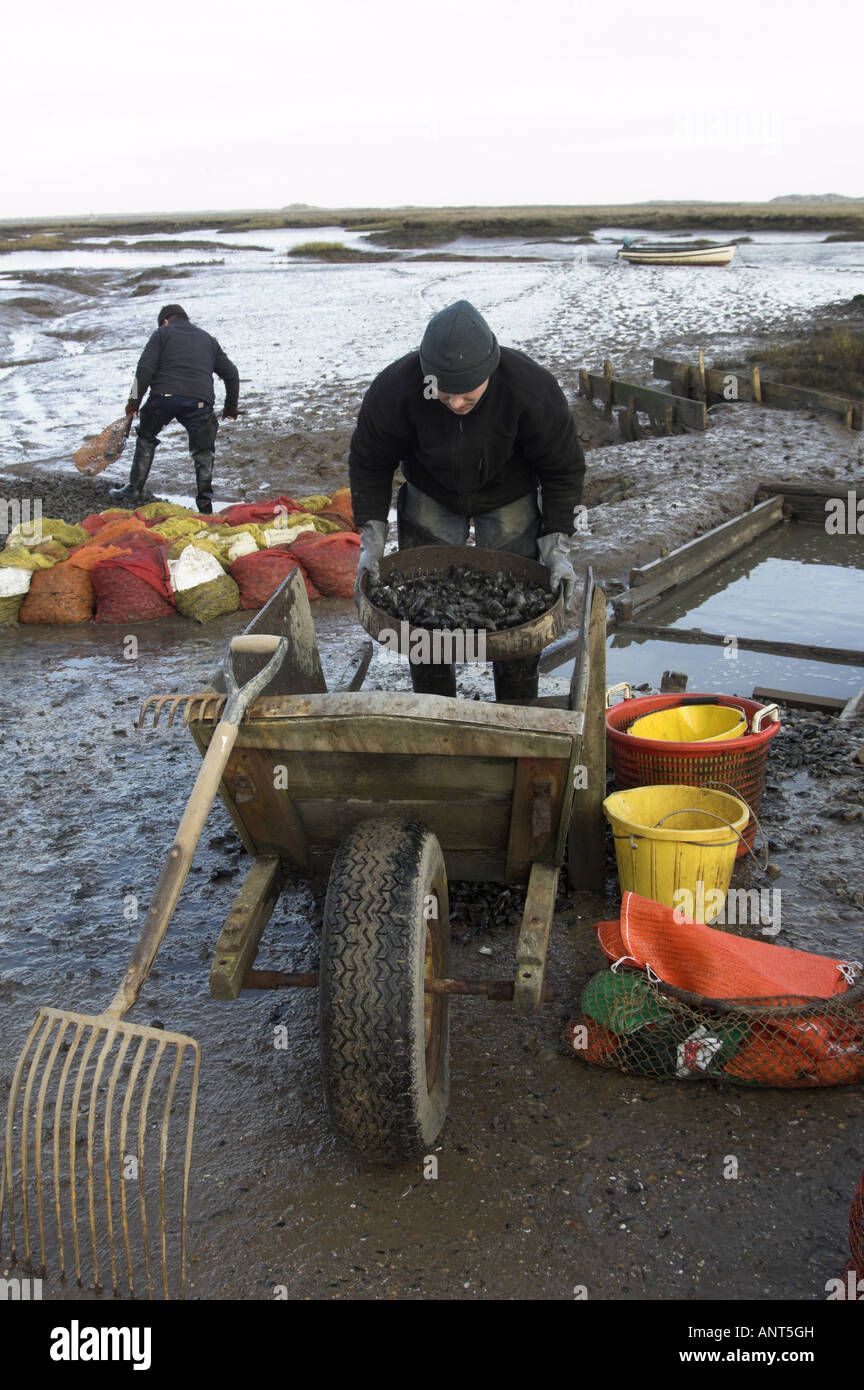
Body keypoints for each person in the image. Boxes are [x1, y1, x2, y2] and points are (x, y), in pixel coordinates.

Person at [349, 299, 585, 704]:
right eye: (444, 395)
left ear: (490, 370)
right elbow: (370, 462)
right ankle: (437, 704)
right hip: (430, 493)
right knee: (421, 612)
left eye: (467, 397)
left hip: (509, 495)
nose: (455, 404)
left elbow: (562, 468)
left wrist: (557, 548)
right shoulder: (396, 388)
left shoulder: (530, 388)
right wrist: (371, 541)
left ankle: (516, 705)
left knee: (519, 613)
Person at [109, 304, 240, 514]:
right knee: (204, 452)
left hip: (163, 398)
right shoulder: (208, 339)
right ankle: (205, 506)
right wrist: (230, 407)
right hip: (199, 403)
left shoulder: (162, 334)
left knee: (146, 436)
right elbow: (232, 373)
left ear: (165, 321)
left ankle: (134, 490)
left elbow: (143, 369)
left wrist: (133, 401)